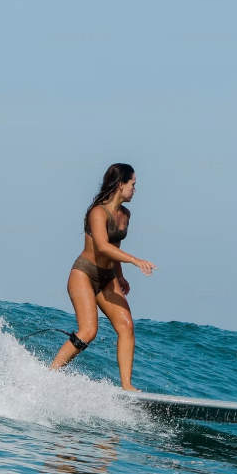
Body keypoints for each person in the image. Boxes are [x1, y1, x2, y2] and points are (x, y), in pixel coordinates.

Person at [49, 163, 156, 391]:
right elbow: (102, 246)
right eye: (133, 184)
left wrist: (120, 275)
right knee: (88, 331)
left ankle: (127, 386)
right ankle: (51, 375)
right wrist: (135, 260)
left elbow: (114, 247)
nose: (135, 189)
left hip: (108, 277)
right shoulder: (98, 212)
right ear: (120, 185)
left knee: (126, 326)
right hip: (84, 274)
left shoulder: (125, 215)